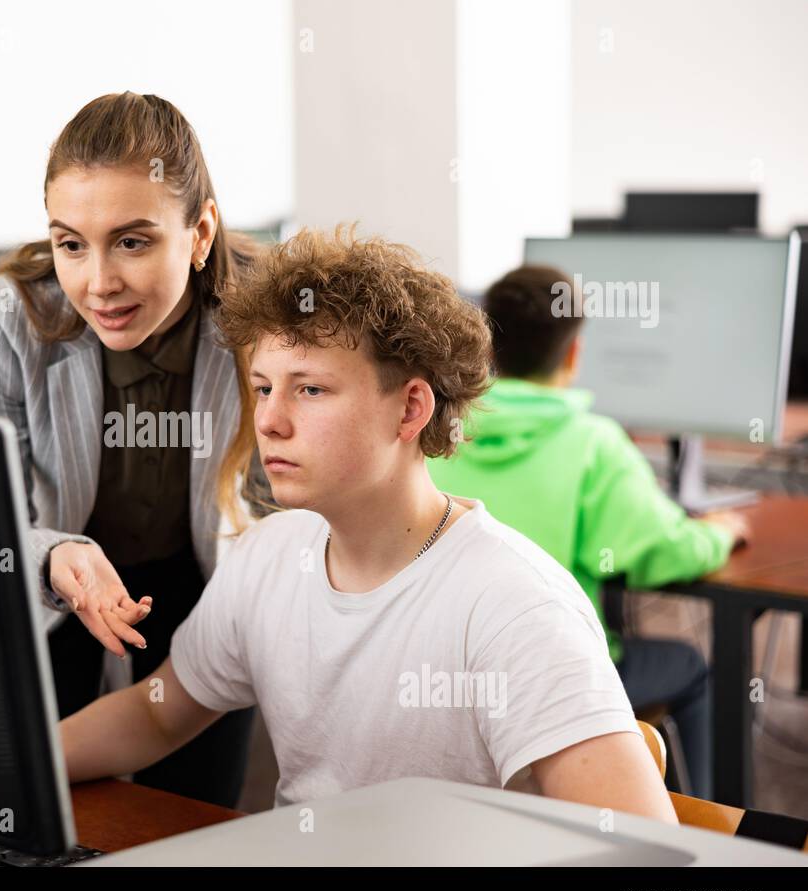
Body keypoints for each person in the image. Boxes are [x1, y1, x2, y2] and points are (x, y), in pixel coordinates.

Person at [59, 228, 678, 823]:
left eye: (310, 390)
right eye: (264, 387)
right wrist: (11, 768)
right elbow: (156, 715)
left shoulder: (514, 606)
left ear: (410, 408)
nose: (269, 421)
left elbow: (644, 859)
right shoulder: (269, 556)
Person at [0, 92, 260, 808]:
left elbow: (290, 496)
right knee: (42, 813)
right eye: (70, 243)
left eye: (133, 241)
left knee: (191, 821)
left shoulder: (264, 314)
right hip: (56, 598)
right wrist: (53, 555)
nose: (99, 283)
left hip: (206, 590)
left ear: (200, 231)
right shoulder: (5, 319)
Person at [427, 265, 749, 799]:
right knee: (690, 667)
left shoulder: (439, 429)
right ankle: (710, 833)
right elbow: (664, 552)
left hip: (446, 668)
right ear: (574, 354)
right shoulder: (594, 443)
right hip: (554, 680)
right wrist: (720, 531)